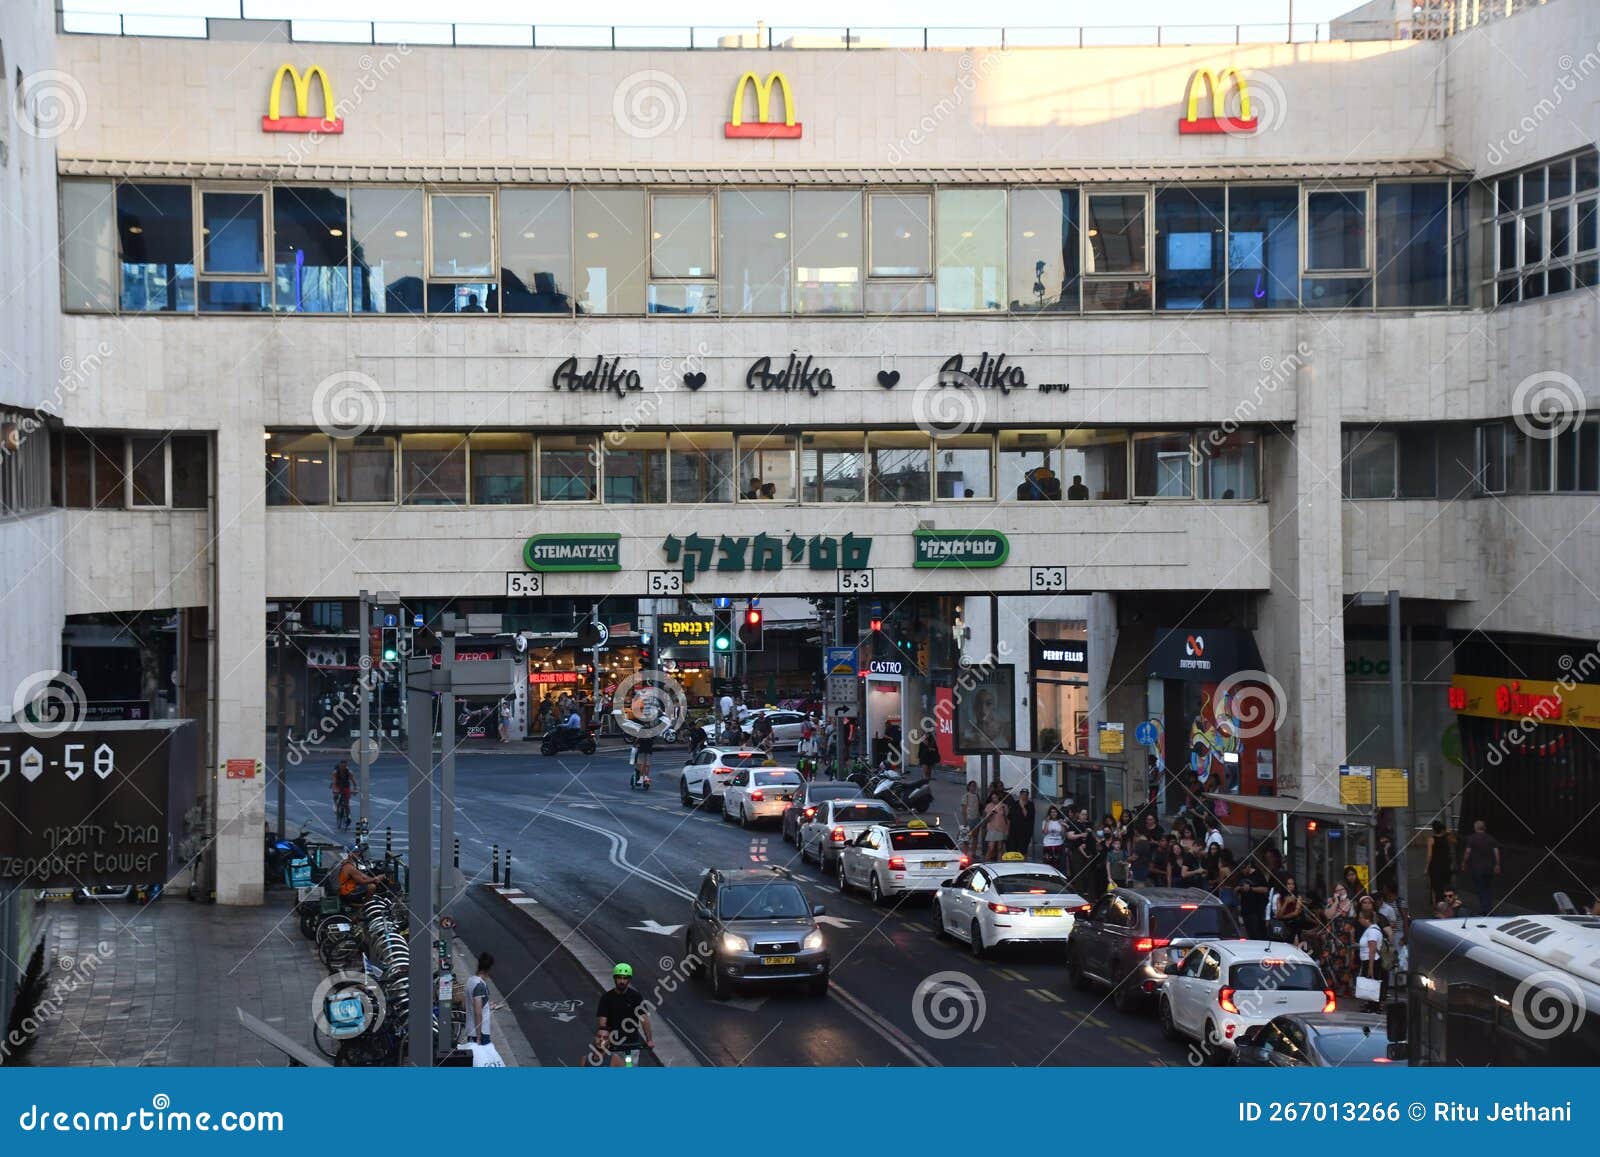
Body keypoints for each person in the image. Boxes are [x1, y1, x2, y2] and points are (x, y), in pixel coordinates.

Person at [594, 962, 652, 1067]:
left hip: (632, 1044)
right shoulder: (606, 998)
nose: (622, 981)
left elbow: (644, 1019)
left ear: (629, 980)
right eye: (619, 978)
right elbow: (603, 1023)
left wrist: (649, 1040)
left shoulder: (636, 997)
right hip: (613, 1045)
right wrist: (604, 1041)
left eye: (625, 978)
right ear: (614, 978)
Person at [1460, 818, 1501, 915]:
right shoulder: (1491, 838)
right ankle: (1489, 908)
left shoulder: (1471, 838)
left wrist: (1464, 862)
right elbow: (1496, 852)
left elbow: (1467, 852)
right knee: (1488, 888)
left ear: (1475, 828)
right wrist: (1497, 865)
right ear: (1484, 828)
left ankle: (1485, 910)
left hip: (1477, 868)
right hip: (1489, 868)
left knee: (1481, 889)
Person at [465, 952, 496, 1048]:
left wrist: (487, 1006)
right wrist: (479, 1037)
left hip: (470, 1030)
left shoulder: (470, 981)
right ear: (489, 969)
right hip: (481, 1033)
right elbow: (478, 1012)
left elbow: (467, 1003)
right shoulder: (480, 985)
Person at [1425, 818, 1456, 905]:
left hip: (1435, 866)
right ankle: (1448, 903)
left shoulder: (1431, 839)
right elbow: (1454, 841)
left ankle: (1438, 905)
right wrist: (1448, 832)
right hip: (1446, 865)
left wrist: (1426, 867)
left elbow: (1429, 855)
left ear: (1433, 829)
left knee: (1435, 887)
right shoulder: (1446, 838)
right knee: (1446, 885)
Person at [1356, 912, 1385, 1005]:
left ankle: (1374, 1005)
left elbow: (1372, 949)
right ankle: (1369, 1004)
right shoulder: (1369, 929)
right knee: (1369, 983)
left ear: (1367, 919)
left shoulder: (1372, 931)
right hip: (1367, 960)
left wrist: (1370, 967)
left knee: (1372, 983)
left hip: (1372, 961)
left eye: (1361, 917)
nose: (1359, 919)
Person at [981, 788, 1010, 863]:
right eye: (993, 798)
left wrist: (1007, 830)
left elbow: (1006, 818)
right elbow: (986, 819)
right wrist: (991, 814)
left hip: (1001, 828)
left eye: (995, 797)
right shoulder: (989, 806)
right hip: (992, 828)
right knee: (991, 847)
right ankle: (986, 862)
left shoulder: (1003, 806)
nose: (994, 799)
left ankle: (999, 862)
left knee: (1000, 847)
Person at [1006, 788, 1035, 858]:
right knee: (1012, 851)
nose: (1024, 796)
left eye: (1026, 795)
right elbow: (1009, 818)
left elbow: (1027, 816)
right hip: (1013, 832)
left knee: (1023, 851)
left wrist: (1022, 806)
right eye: (1022, 794)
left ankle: (1023, 865)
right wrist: (1007, 830)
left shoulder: (1030, 805)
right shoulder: (1014, 804)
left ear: (1028, 796)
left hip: (1025, 832)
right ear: (1020, 795)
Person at [958, 782, 983, 857]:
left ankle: (973, 853)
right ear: (968, 787)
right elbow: (964, 809)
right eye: (972, 786)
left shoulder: (977, 796)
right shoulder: (966, 796)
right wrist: (965, 820)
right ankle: (965, 853)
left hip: (976, 818)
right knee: (966, 838)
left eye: (975, 786)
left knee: (975, 836)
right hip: (969, 818)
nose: (974, 787)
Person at [1040, 804, 1066, 869]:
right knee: (1048, 863)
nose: (1053, 813)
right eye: (1052, 812)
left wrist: (1062, 825)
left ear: (1057, 813)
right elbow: (1045, 832)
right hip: (1048, 844)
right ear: (1049, 813)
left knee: (1057, 864)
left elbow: (1063, 834)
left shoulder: (1061, 821)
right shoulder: (1045, 821)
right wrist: (1047, 822)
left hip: (1058, 844)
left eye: (1055, 812)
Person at [330, 760, 354, 830]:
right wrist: (335, 788)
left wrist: (354, 788)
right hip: (338, 786)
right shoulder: (336, 772)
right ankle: (337, 807)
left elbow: (351, 780)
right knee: (336, 795)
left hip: (345, 786)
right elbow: (334, 782)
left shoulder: (348, 771)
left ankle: (348, 817)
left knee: (346, 802)